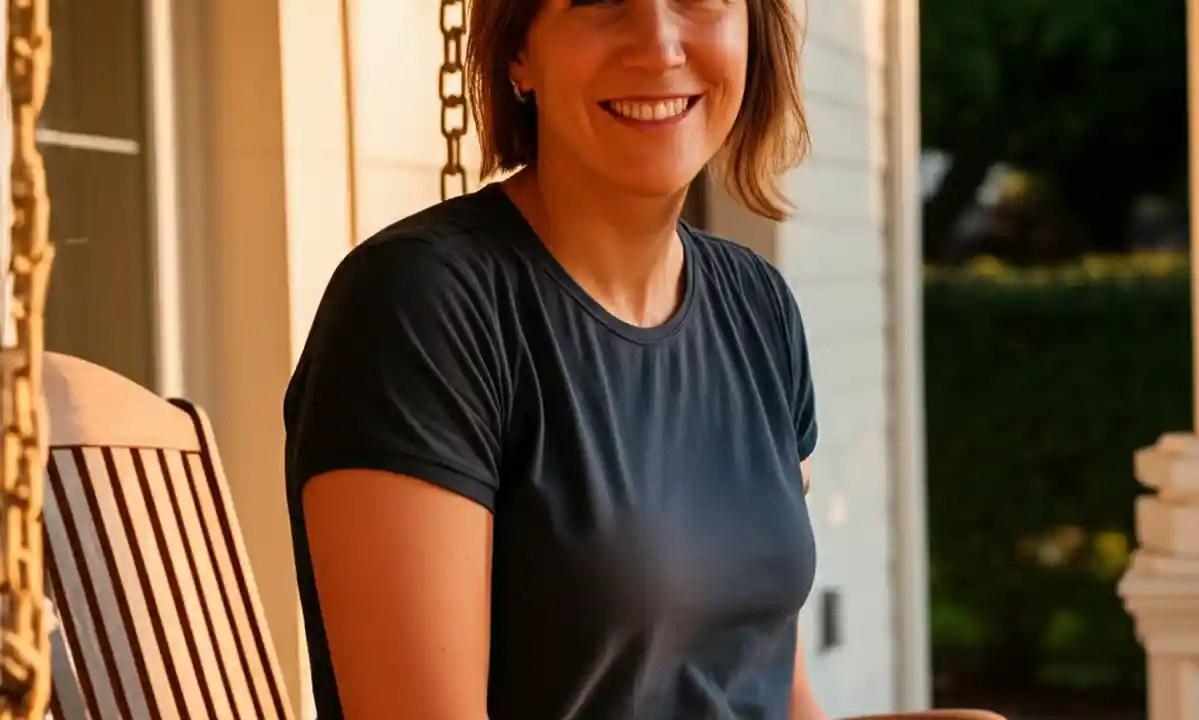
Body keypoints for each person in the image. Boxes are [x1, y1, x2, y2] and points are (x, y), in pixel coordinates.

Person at [284, 0, 821, 716]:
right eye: (603, 3)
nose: (659, 47)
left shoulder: (759, 306)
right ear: (519, 55)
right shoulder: (419, 306)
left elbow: (779, 692)